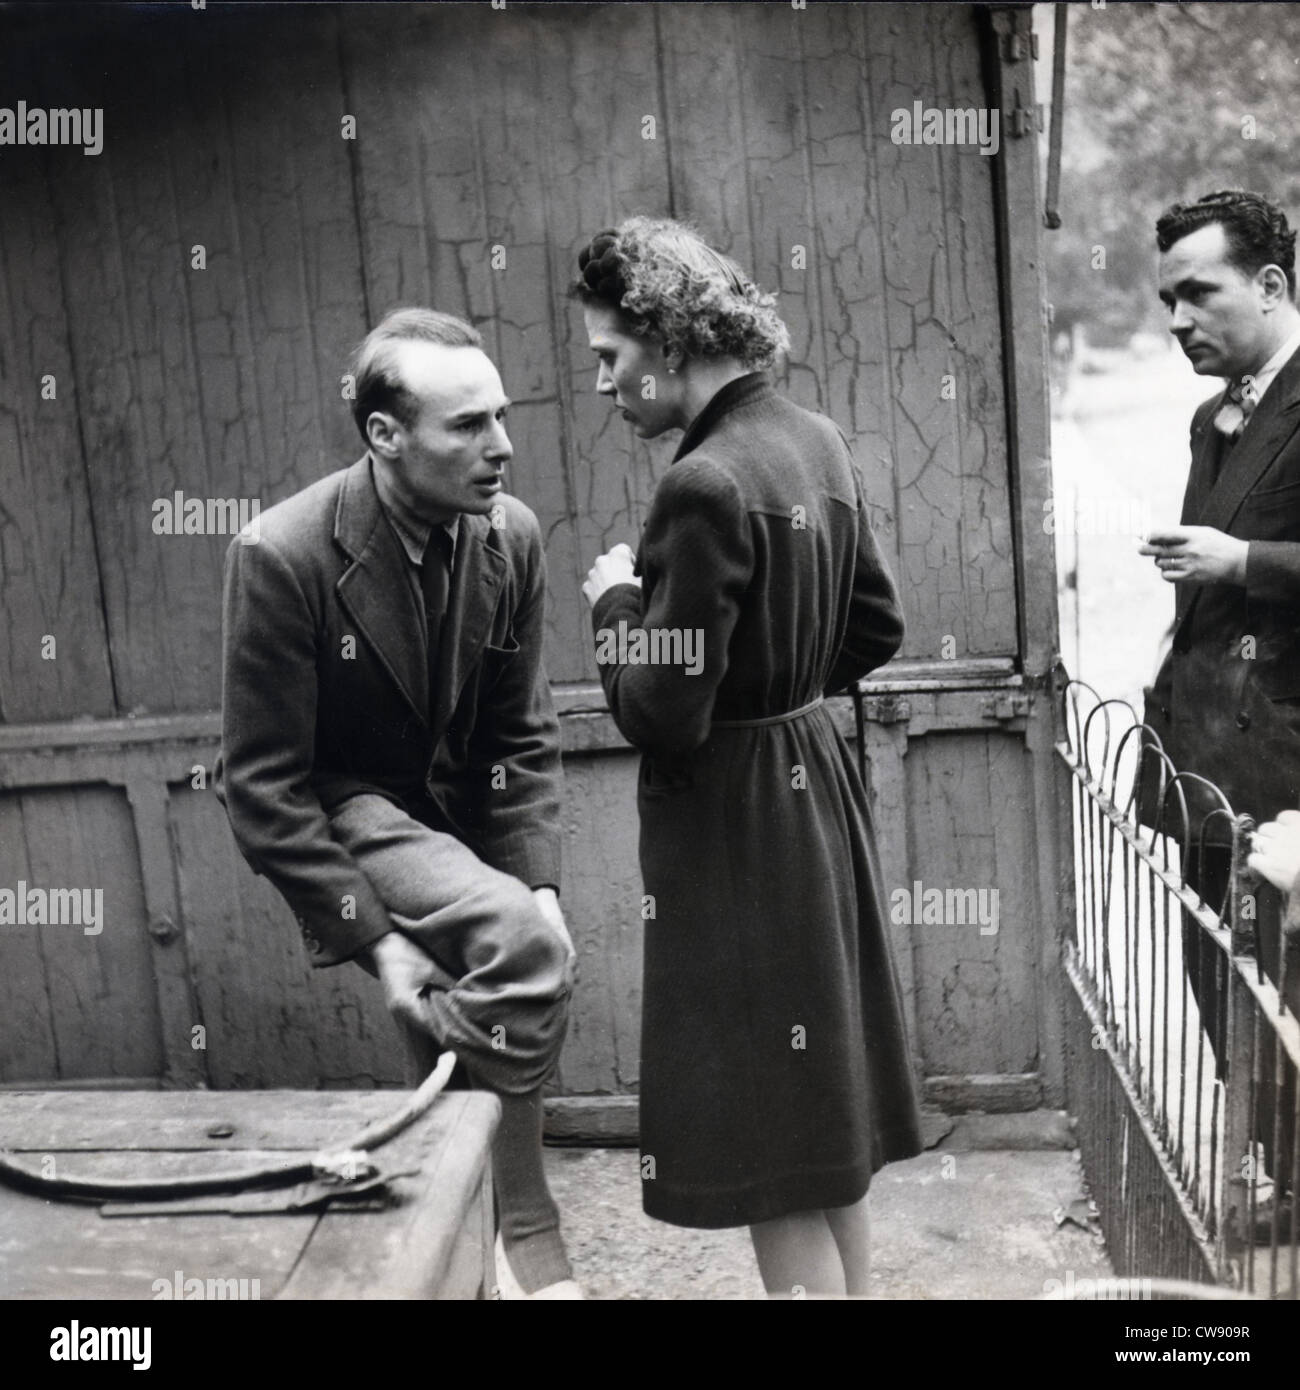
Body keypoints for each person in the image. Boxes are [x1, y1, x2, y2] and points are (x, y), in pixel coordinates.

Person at [575, 217, 923, 1297]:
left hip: (736, 828)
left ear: (669, 344)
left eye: (609, 357)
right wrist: (789, 685)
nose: (602, 385)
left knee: (770, 1143)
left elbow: (661, 713)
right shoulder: (812, 438)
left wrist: (614, 603)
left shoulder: (704, 483)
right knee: (819, 1109)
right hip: (814, 799)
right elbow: (877, 628)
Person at [215, 308, 580, 1298]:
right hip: (352, 811)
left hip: (458, 811)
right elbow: (259, 783)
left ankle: (472, 1239)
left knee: (511, 949)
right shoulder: (281, 554)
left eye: (501, 415)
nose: (501, 445)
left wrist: (538, 879)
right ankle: (526, 1244)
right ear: (384, 436)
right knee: (524, 953)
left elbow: (517, 737)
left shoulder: (511, 537)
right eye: (466, 425)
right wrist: (377, 937)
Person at [1140, 190, 1300, 1227]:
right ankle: (1272, 1164)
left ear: (1273, 285)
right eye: (1166, 300)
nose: (1177, 320)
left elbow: (1241, 561)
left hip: (1283, 760)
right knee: (1216, 969)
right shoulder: (1216, 414)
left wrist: (1242, 560)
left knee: (1283, 984)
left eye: (1197, 293)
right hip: (1204, 750)